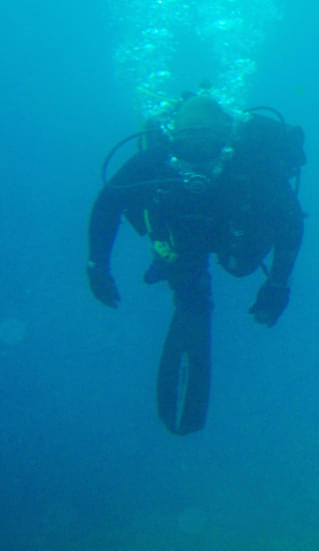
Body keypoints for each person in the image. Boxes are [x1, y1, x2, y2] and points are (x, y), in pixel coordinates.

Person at [87, 94, 306, 435]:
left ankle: (195, 292)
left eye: (209, 146)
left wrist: (278, 283)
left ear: (228, 141)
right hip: (184, 237)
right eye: (189, 148)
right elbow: (108, 204)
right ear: (173, 141)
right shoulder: (155, 160)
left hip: (234, 231)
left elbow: (291, 222)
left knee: (239, 265)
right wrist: (96, 265)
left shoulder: (252, 163)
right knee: (191, 295)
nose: (199, 158)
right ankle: (191, 304)